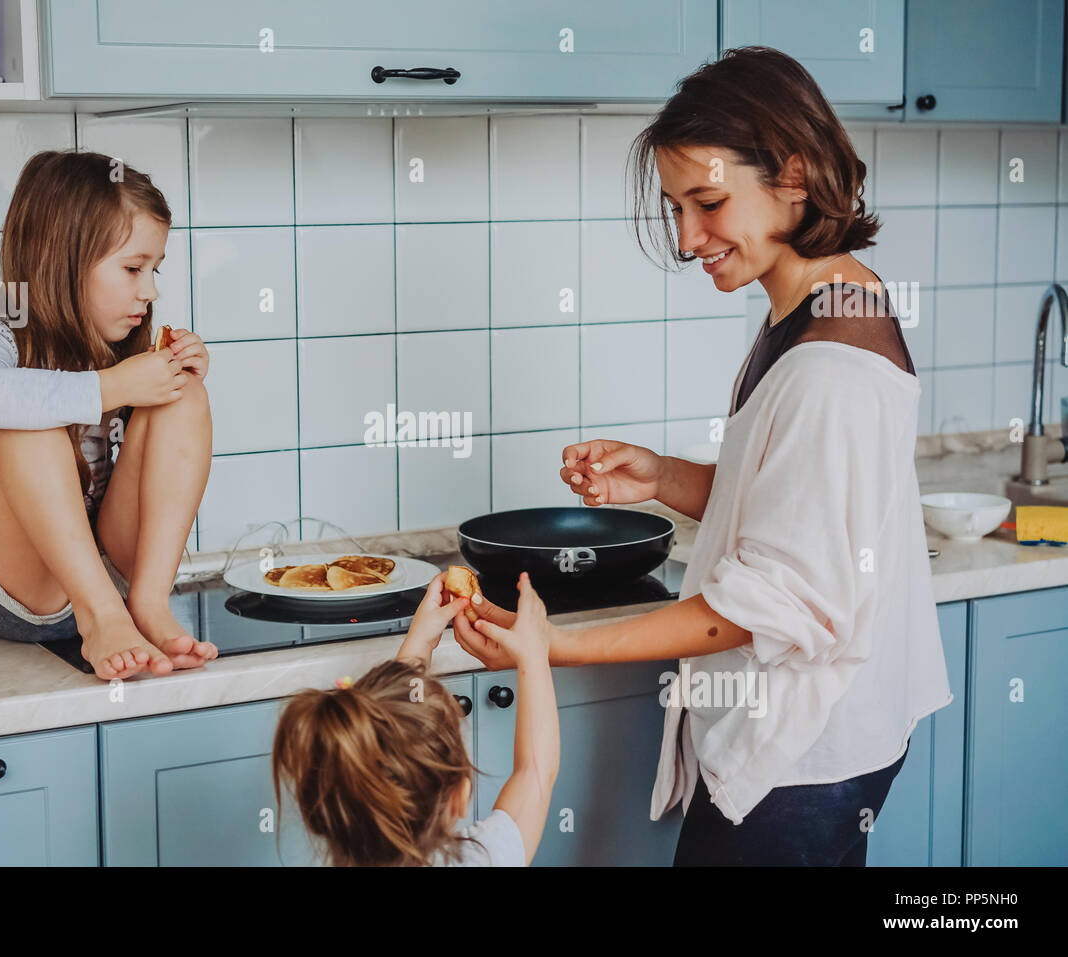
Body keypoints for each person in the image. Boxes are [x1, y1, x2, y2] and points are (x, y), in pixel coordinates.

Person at [451, 47, 952, 866]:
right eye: (676, 206)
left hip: (802, 755)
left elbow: (770, 601)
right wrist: (664, 478)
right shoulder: (818, 299)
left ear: (792, 175)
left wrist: (553, 647)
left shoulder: (831, 366)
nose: (687, 239)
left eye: (708, 202)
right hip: (824, 737)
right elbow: (797, 507)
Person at [0, 150, 218, 681]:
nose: (150, 291)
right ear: (63, 257)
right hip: (20, 591)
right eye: (132, 269)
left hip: (109, 572)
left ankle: (147, 603)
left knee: (183, 393)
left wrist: (175, 370)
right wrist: (114, 385)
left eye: (154, 270)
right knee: (21, 419)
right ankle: (100, 617)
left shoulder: (119, 338)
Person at [271, 572, 560, 865]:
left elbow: (396, 720)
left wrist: (421, 639)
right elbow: (534, 772)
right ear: (460, 794)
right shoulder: (480, 859)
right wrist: (533, 653)